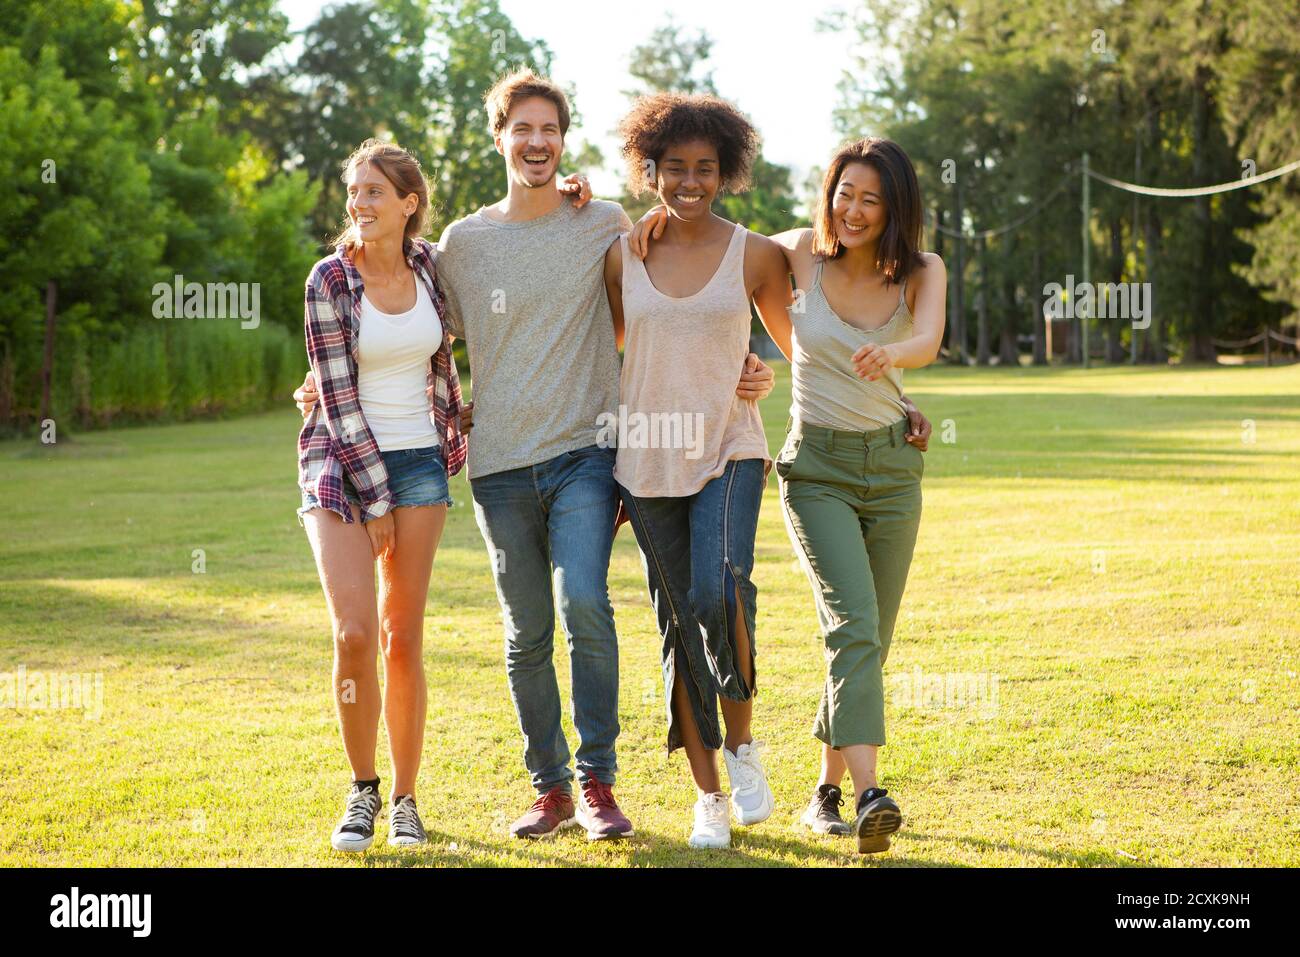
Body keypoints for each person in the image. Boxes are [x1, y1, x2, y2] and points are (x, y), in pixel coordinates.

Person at [296, 69, 776, 843]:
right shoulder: (461, 245)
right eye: (522, 128)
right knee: (525, 633)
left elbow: (658, 310)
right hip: (498, 464)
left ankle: (597, 783)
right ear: (500, 139)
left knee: (585, 601)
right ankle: (548, 788)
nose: (537, 141)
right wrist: (319, 378)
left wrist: (746, 364)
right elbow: (408, 321)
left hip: (586, 451)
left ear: (564, 139)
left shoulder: (606, 222)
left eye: (549, 128)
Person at [629, 136, 944, 853]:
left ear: (895, 207)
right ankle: (871, 795)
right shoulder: (798, 251)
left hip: (894, 464)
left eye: (871, 198)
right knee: (852, 624)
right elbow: (707, 245)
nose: (854, 209)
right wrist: (653, 218)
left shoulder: (923, 268)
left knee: (871, 637)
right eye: (844, 192)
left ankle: (825, 792)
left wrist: (897, 368)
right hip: (818, 469)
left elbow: (926, 337)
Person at [602, 93, 793, 849]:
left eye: (705, 169)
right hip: (644, 457)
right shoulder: (625, 253)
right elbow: (604, 346)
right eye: (675, 167)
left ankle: (743, 746)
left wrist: (767, 377)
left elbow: (794, 345)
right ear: (651, 172)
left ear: (727, 172)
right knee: (679, 619)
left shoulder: (755, 252)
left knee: (721, 587)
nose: (690, 182)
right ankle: (708, 793)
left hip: (728, 445)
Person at [297, 139, 466, 851]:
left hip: (420, 464)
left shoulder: (431, 268)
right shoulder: (330, 280)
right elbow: (334, 397)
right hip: (340, 467)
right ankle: (361, 789)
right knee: (355, 633)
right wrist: (373, 501)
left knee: (403, 638)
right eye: (354, 191)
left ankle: (404, 799)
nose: (360, 203)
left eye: (375, 192)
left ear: (409, 203)